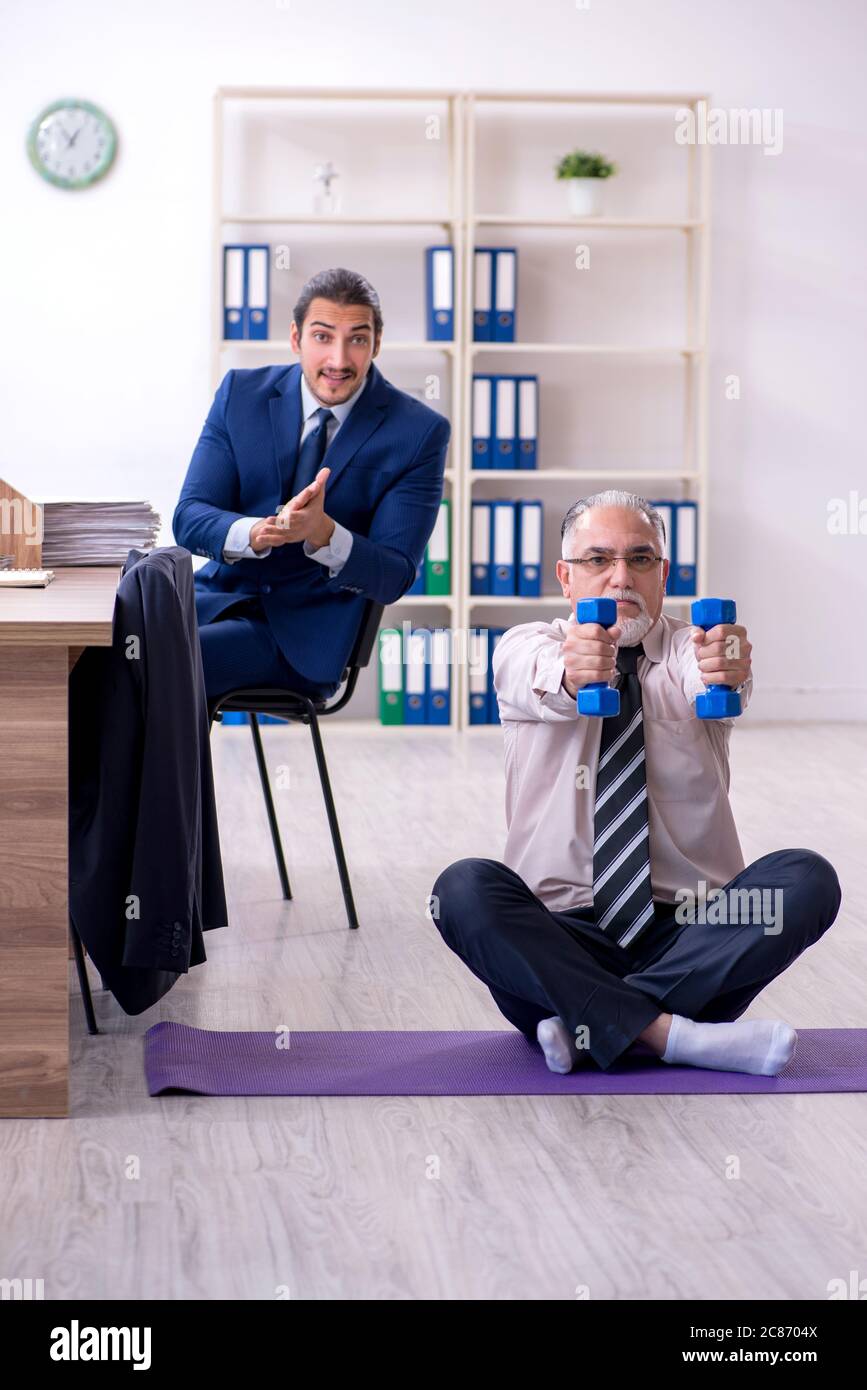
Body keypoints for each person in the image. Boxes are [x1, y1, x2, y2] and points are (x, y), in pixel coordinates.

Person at [431, 490, 841, 1076]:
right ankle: (677, 1038)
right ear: (565, 578)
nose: (620, 578)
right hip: (557, 938)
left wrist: (726, 666)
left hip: (697, 937)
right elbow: (546, 678)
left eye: (640, 560)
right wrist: (576, 675)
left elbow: (713, 679)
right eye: (598, 560)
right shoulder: (525, 647)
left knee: (808, 878)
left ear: (663, 575)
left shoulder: (689, 647)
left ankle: (592, 1026)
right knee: (463, 888)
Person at [174, 267, 451, 701]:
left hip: (304, 638)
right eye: (323, 337)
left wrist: (325, 536)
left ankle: (155, 773)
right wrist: (254, 532)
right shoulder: (240, 394)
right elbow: (189, 517)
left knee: (170, 665)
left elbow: (394, 575)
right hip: (215, 603)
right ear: (295, 338)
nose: (339, 361)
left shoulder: (417, 432)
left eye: (357, 339)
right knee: (110, 653)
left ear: (376, 342)